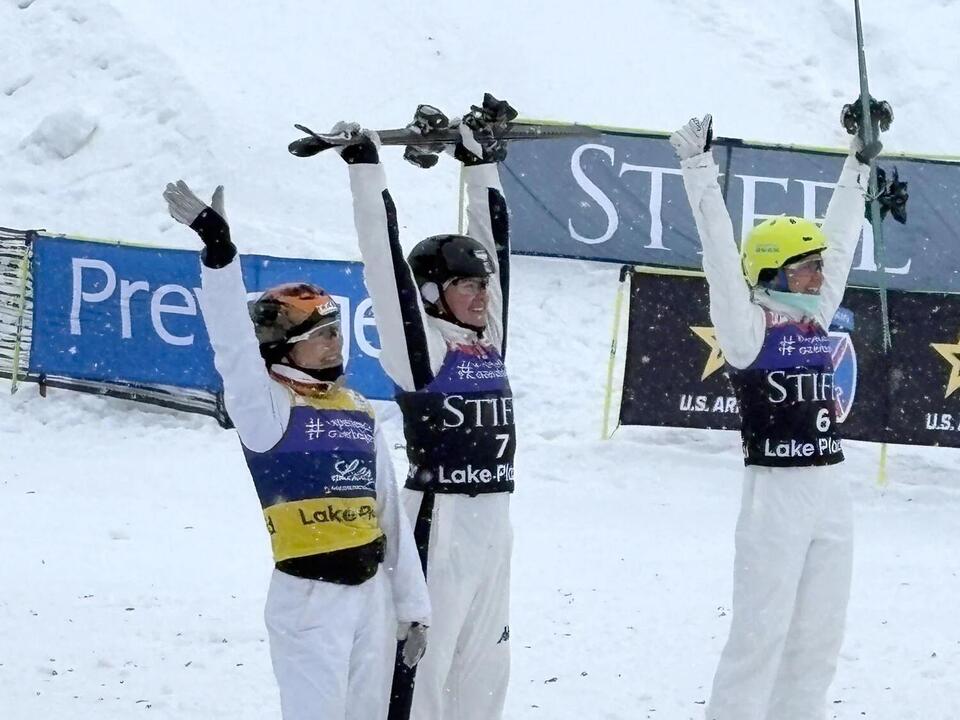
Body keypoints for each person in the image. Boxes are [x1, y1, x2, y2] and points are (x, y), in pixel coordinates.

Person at [162, 180, 430, 720]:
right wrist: (220, 255)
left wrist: (412, 607)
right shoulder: (266, 409)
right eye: (320, 333)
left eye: (335, 330)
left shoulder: (356, 406)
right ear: (283, 346)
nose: (335, 341)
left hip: (372, 592)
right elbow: (232, 345)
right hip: (309, 598)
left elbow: (387, 516)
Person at [669, 110, 884, 720]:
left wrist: (858, 162)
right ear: (773, 272)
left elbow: (841, 238)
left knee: (819, 639)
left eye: (817, 265)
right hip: (774, 493)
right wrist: (698, 166)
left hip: (830, 486)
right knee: (759, 638)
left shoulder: (816, 312)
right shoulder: (749, 329)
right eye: (807, 265)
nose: (820, 273)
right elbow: (717, 255)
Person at [333, 96, 515, 720]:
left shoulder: (487, 341)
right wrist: (366, 172)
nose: (482, 295)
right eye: (468, 285)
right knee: (423, 670)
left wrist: (479, 163)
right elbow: (384, 269)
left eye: (482, 285)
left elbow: (498, 245)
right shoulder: (422, 353)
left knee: (485, 672)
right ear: (434, 293)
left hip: (495, 520)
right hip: (439, 520)